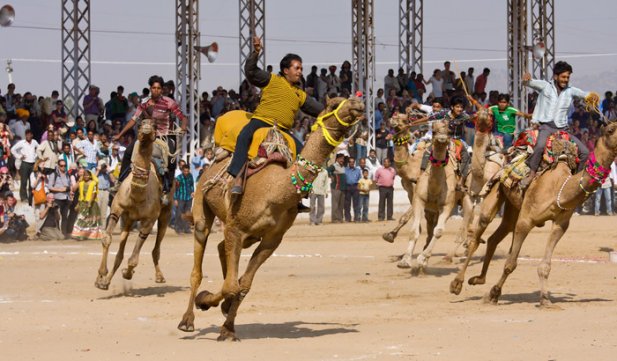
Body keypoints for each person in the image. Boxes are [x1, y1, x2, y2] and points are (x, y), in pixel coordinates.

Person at [227, 36, 324, 200]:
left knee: (304, 156)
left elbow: (320, 110)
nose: (300, 71)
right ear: (286, 70)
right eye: (297, 68)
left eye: (301, 68)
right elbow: (250, 72)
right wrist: (256, 52)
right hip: (261, 122)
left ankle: (299, 193)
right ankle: (238, 178)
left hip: (284, 131)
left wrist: (340, 109)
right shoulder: (271, 79)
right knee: (244, 136)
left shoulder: (300, 94)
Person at [520, 61, 598, 188]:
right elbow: (528, 83)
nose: (565, 80)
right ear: (555, 76)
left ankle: (575, 181)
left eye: (567, 77)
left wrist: (592, 97)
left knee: (584, 152)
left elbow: (584, 95)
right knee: (539, 146)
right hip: (546, 127)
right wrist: (526, 78)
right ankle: (532, 174)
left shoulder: (571, 91)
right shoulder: (545, 86)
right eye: (563, 77)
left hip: (563, 130)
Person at [114, 75, 188, 205]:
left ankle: (167, 188)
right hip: (146, 137)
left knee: (171, 159)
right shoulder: (144, 103)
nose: (156, 90)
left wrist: (183, 128)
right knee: (128, 151)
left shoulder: (169, 102)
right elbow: (133, 119)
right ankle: (120, 181)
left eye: (159, 88)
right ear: (150, 88)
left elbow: (183, 117)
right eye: (154, 88)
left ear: (162, 89)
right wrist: (120, 134)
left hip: (164, 136)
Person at [71, 169, 104, 240]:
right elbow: (73, 189)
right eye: (84, 175)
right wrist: (78, 181)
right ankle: (79, 235)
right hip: (82, 203)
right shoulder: (81, 183)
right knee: (81, 218)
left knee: (91, 220)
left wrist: (90, 202)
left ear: (90, 176)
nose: (86, 176)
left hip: (91, 204)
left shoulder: (93, 183)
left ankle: (89, 235)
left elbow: (94, 194)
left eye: (87, 175)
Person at [11, 129, 39, 202]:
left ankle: (31, 197)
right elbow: (12, 150)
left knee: (32, 181)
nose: (28, 136)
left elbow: (39, 149)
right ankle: (23, 198)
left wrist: (35, 155)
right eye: (27, 134)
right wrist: (19, 156)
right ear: (25, 135)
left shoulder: (34, 142)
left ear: (32, 135)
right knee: (23, 181)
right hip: (25, 163)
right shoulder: (22, 143)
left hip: (32, 164)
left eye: (30, 134)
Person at [47, 159, 72, 238]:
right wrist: (60, 189)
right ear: (58, 166)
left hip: (66, 197)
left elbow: (69, 185)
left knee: (65, 216)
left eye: (64, 165)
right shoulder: (53, 175)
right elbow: (50, 187)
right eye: (61, 165)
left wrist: (69, 191)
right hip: (57, 197)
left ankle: (63, 233)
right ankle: (58, 233)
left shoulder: (67, 174)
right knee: (57, 217)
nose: (63, 167)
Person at [173, 164, 194, 234]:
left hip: (188, 198)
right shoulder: (178, 178)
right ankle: (178, 228)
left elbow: (192, 185)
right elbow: (175, 189)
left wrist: (192, 192)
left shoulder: (190, 176)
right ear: (182, 171)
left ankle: (187, 228)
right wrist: (175, 199)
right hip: (180, 198)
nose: (186, 172)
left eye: (187, 171)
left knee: (187, 214)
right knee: (179, 213)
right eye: (185, 171)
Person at [327, 153, 347, 223]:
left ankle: (340, 218)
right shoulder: (334, 166)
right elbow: (327, 171)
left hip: (343, 188)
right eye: (341, 158)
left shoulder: (343, 167)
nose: (342, 160)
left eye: (343, 158)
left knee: (341, 205)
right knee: (335, 204)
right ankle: (335, 219)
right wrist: (331, 176)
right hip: (336, 187)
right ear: (337, 159)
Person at [344, 156, 361, 222]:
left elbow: (360, 179)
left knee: (356, 204)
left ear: (354, 162)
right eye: (350, 162)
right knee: (347, 204)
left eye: (353, 162)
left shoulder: (358, 170)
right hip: (347, 187)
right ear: (348, 163)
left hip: (355, 187)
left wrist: (358, 187)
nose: (351, 163)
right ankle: (348, 218)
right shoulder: (345, 170)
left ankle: (356, 218)